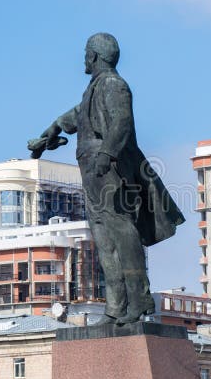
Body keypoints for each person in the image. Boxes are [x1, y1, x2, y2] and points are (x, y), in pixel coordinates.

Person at [28, 33, 185, 325]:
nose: (83, 58)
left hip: (109, 168)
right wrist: (53, 128)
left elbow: (122, 122)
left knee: (121, 231)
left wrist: (107, 154)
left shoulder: (114, 84)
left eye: (86, 53)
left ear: (95, 56)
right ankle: (116, 308)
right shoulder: (96, 87)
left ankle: (138, 300)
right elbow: (80, 114)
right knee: (103, 238)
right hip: (92, 169)